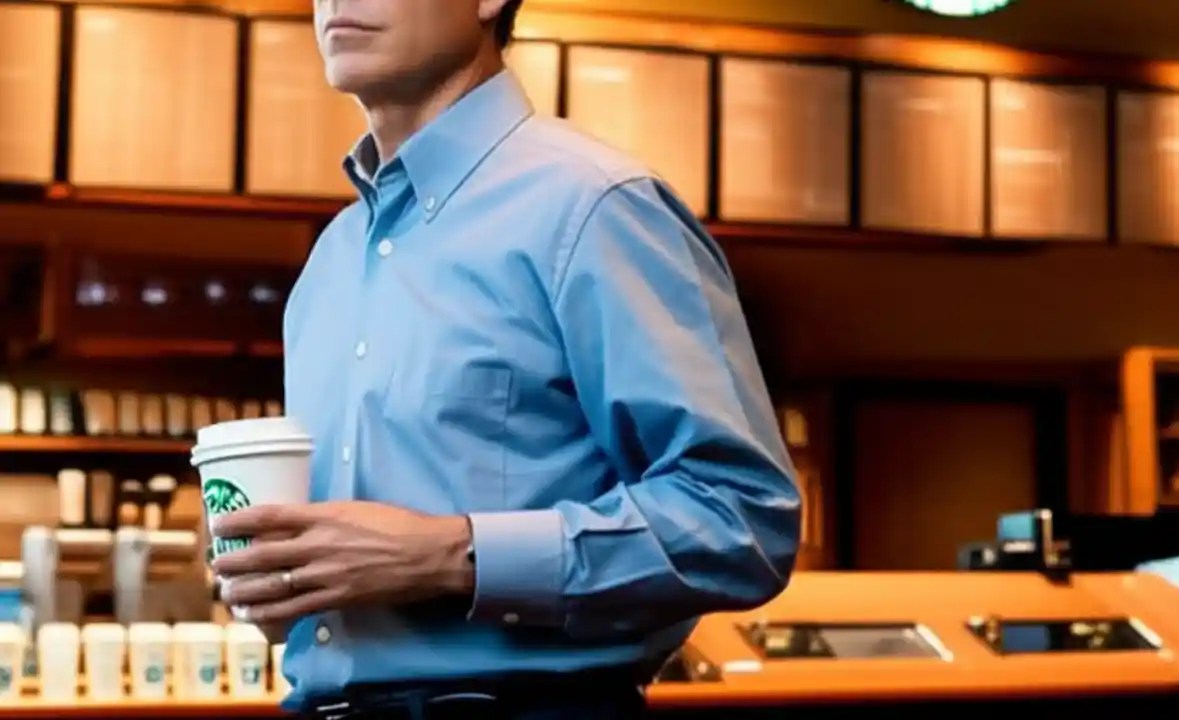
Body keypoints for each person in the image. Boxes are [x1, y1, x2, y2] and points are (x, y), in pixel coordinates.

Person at [209, 0, 801, 717]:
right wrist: (283, 588)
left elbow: (742, 520)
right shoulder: (329, 262)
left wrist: (451, 557)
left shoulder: (593, 207)